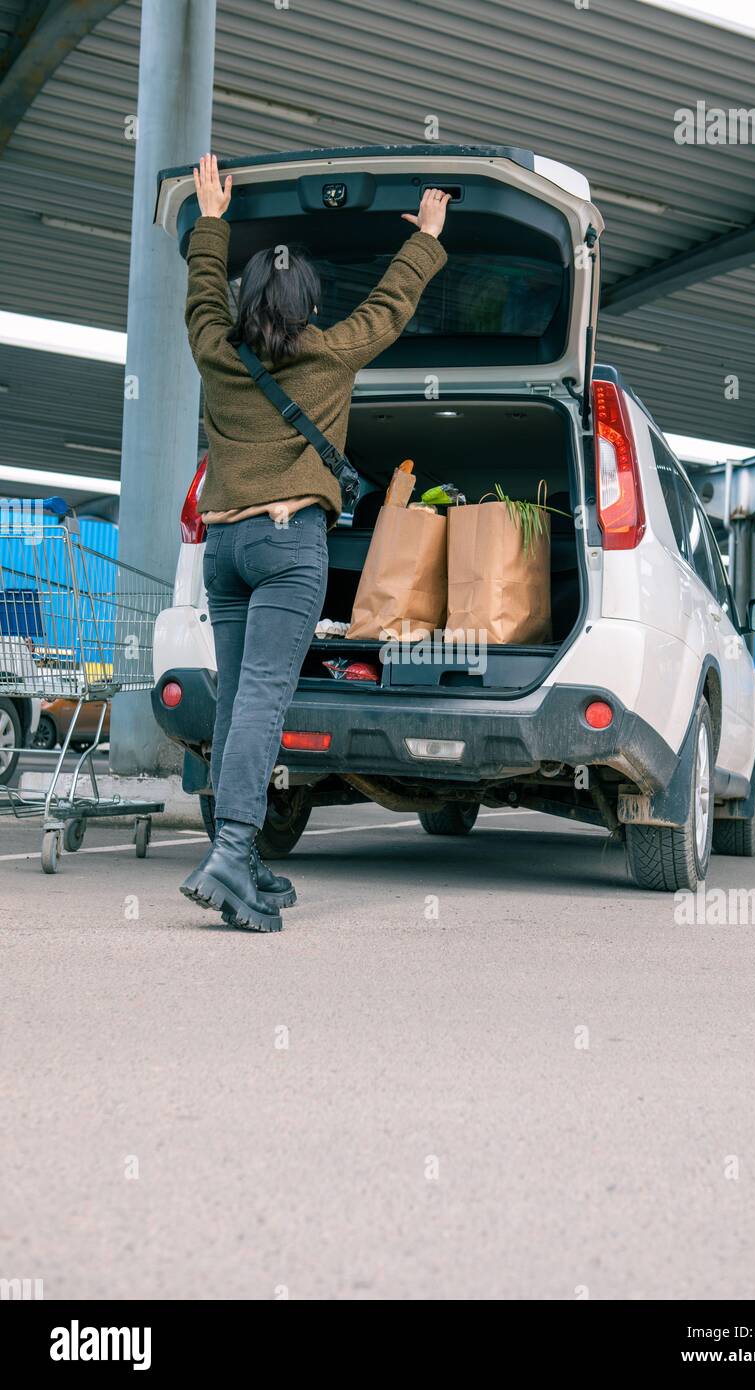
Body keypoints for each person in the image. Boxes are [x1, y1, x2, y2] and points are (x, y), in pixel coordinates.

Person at [180, 154, 450, 932]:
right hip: (285, 543)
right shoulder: (328, 353)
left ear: (246, 295)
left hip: (223, 550)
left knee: (238, 698)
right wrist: (427, 236)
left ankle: (242, 854)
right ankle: (232, 849)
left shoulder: (212, 347)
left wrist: (211, 221)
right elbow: (391, 306)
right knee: (264, 697)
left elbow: (202, 292)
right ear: (305, 303)